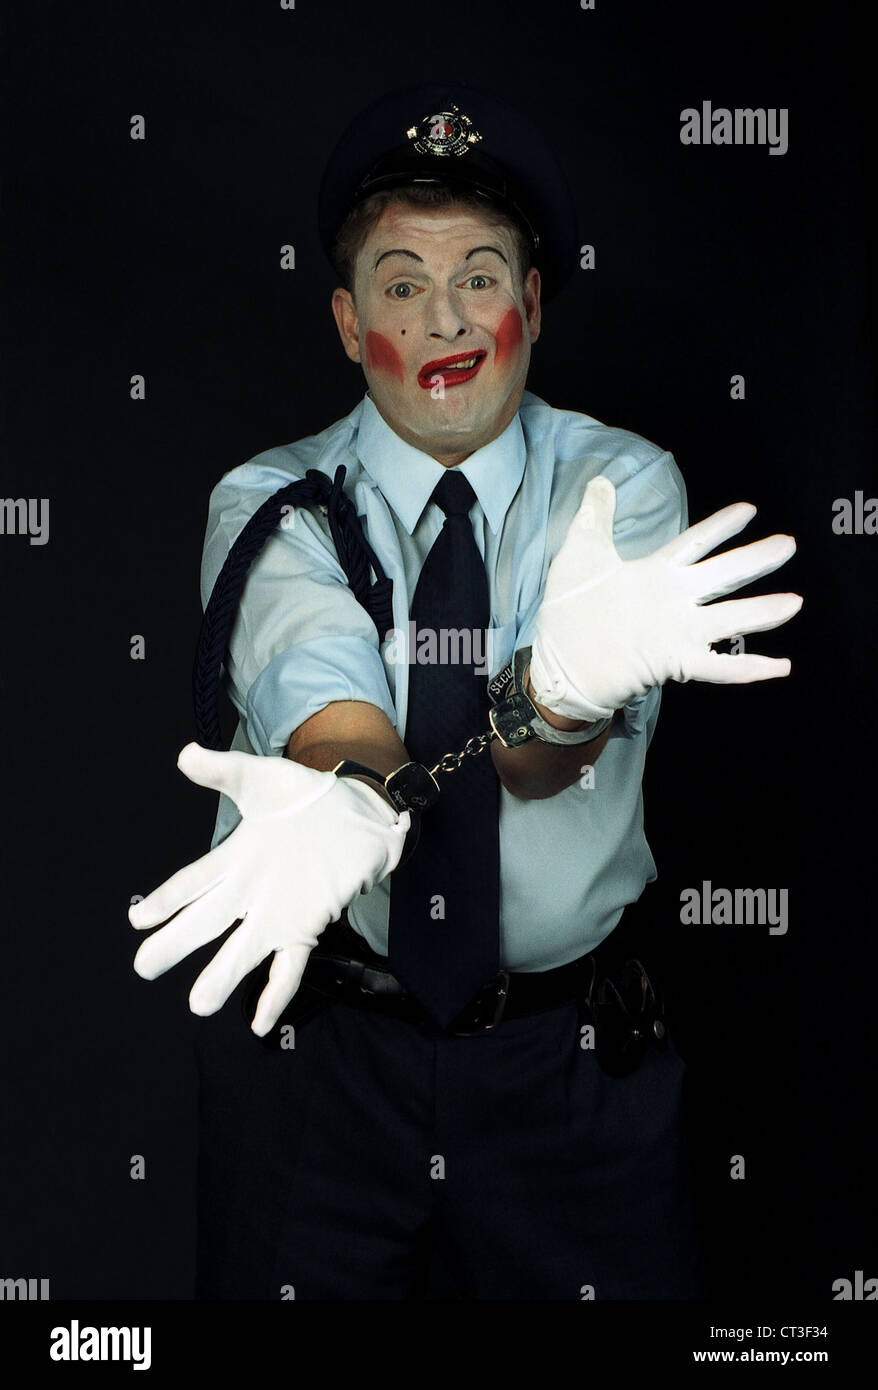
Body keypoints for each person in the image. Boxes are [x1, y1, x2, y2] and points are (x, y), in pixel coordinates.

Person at [129, 83, 803, 1300]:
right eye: (400, 286)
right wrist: (354, 793)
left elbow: (544, 761)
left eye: (479, 279)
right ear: (346, 321)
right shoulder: (268, 499)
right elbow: (321, 692)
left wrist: (564, 687)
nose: (444, 321)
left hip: (566, 1066)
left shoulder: (619, 486)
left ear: (530, 303)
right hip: (324, 1059)